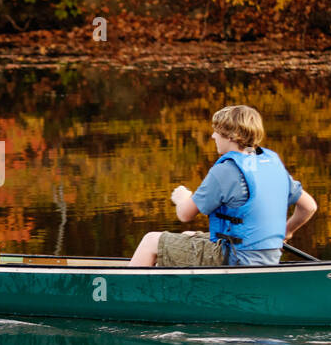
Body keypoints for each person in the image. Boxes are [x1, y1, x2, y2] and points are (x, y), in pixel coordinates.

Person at [130, 104, 317, 267]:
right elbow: (309, 207)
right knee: (189, 235)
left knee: (150, 241)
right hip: (270, 256)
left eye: (217, 131)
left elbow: (185, 214)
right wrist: (287, 230)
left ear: (231, 136)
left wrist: (182, 198)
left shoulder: (226, 171)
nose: (212, 136)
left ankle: (128, 294)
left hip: (236, 258)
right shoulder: (272, 165)